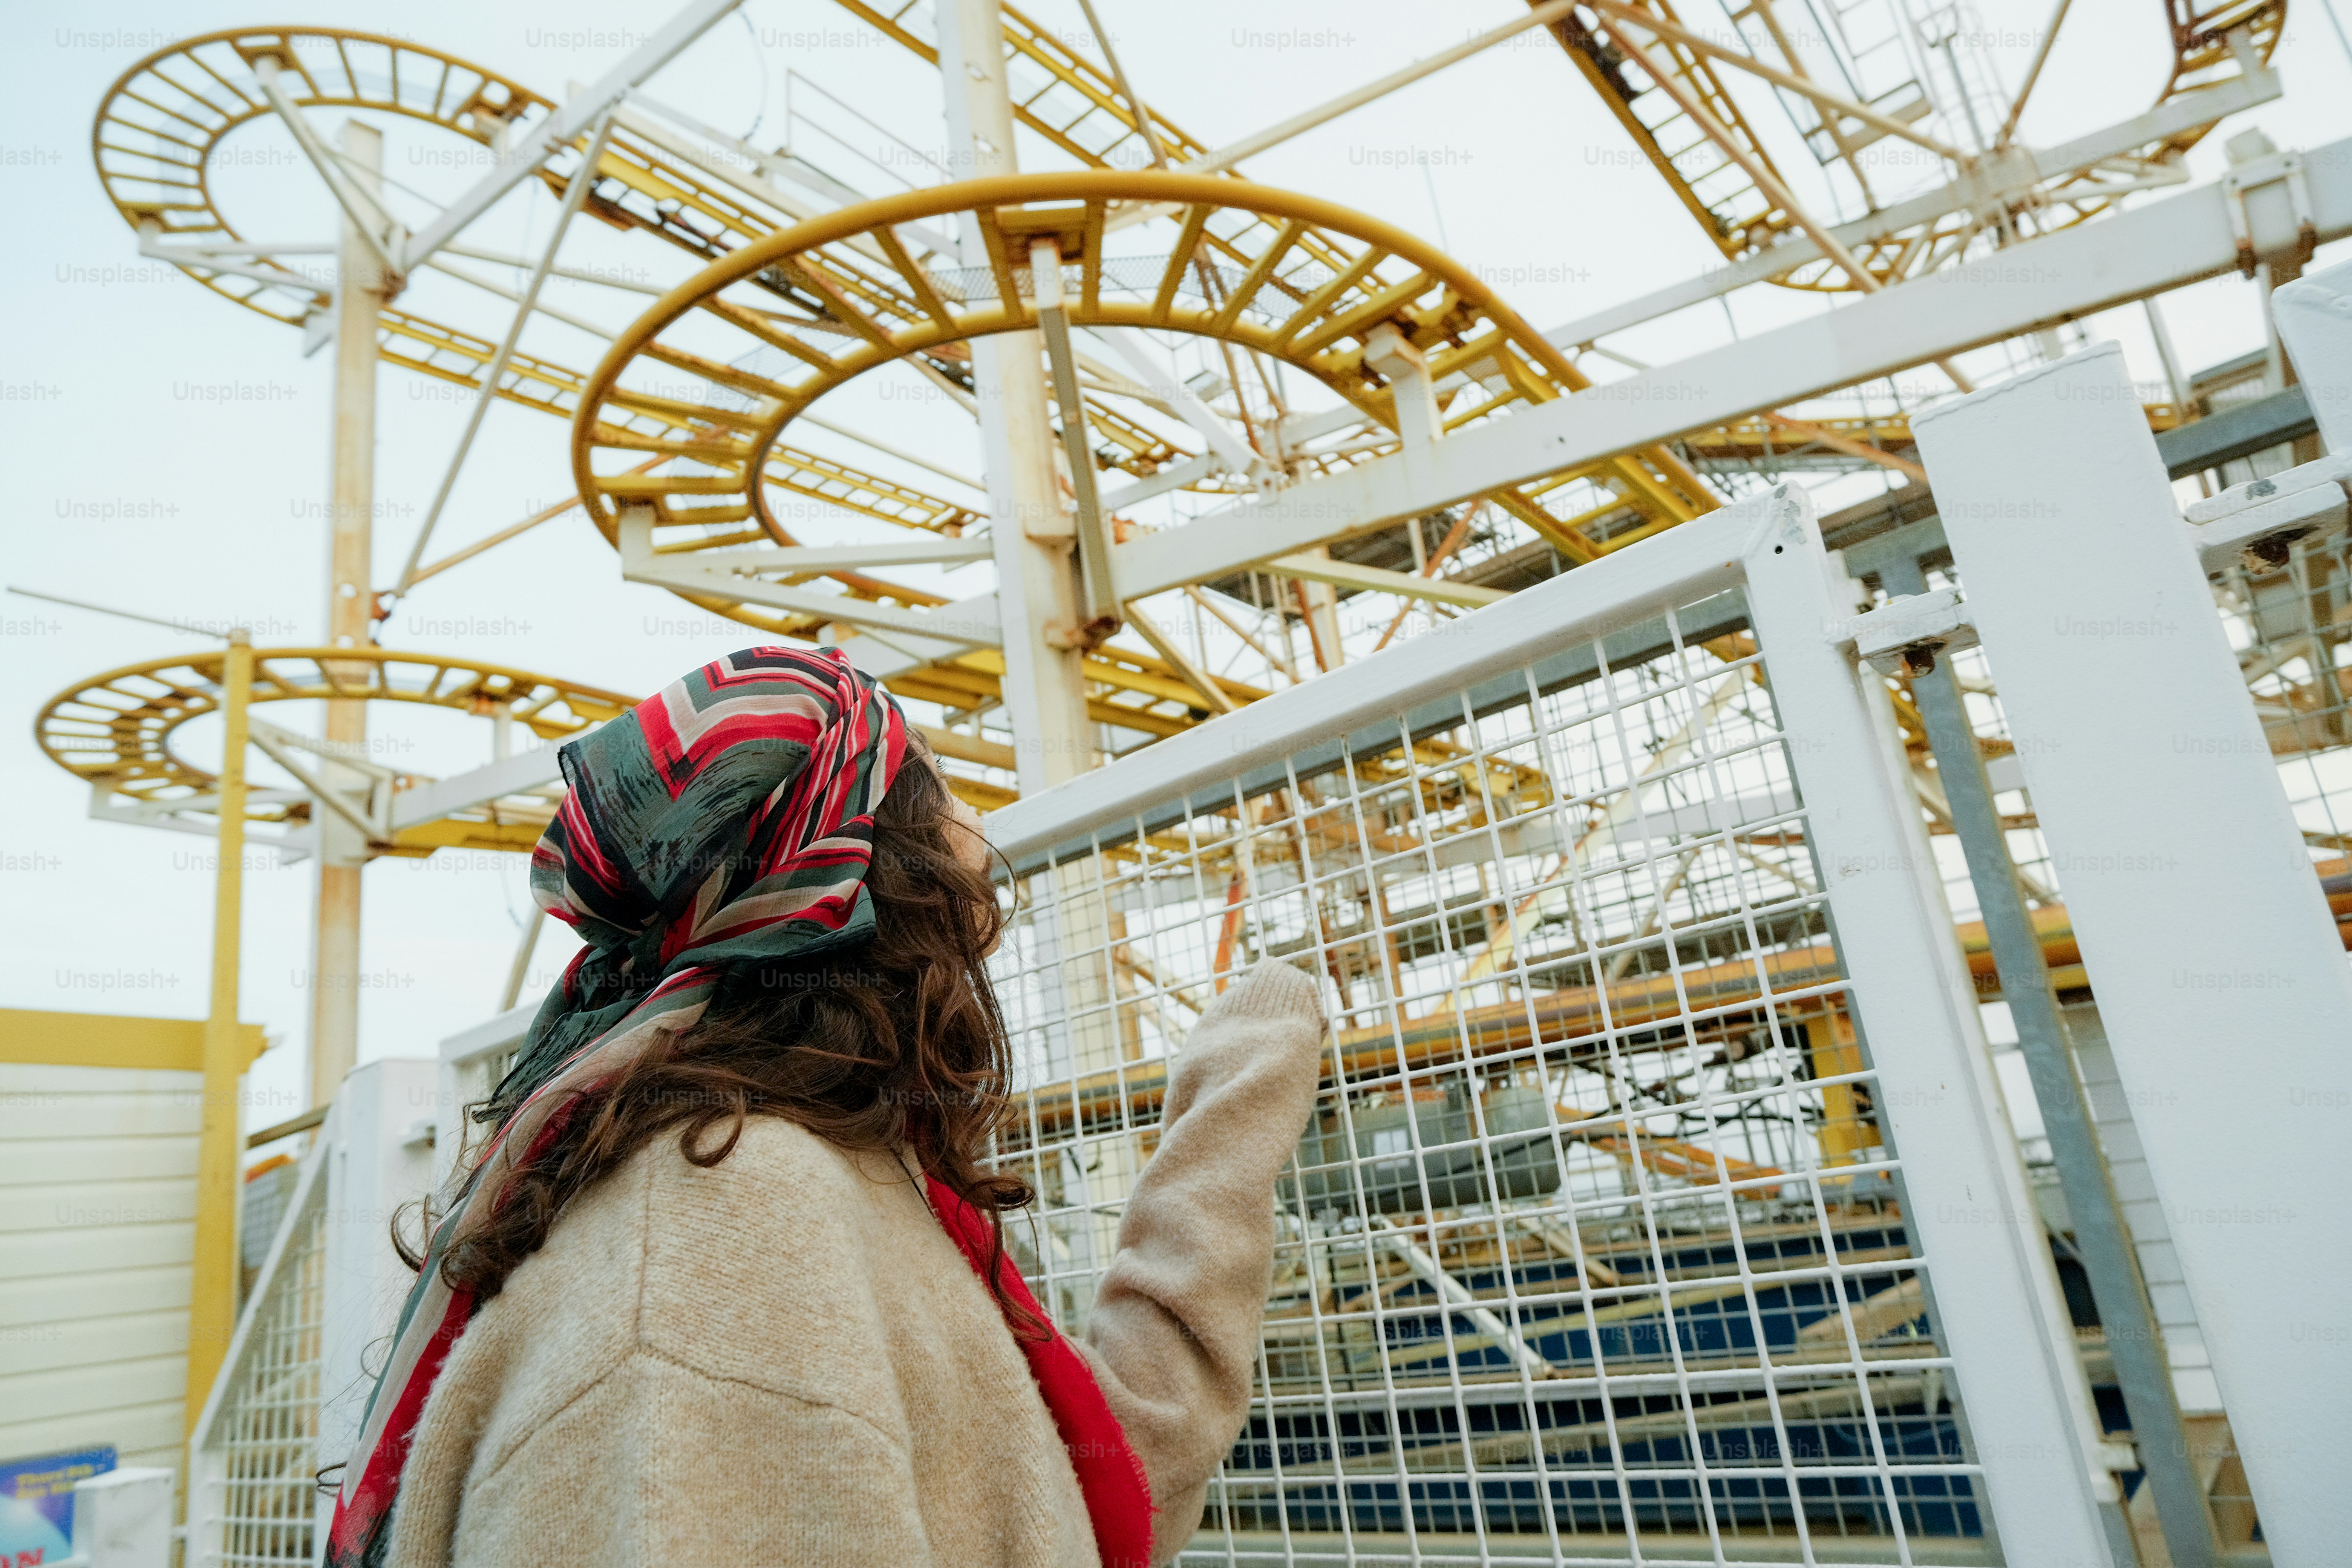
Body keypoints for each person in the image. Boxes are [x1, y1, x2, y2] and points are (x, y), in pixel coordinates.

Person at [326, 647, 1329, 1567]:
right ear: (859, 864)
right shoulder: (718, 1222)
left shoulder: (820, 1176)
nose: (976, 828)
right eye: (933, 785)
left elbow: (1077, 1497)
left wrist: (1227, 1122)